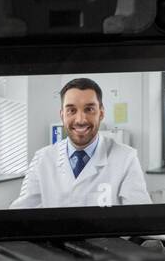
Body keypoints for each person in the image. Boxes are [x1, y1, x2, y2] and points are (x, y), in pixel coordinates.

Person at [9, 77, 152, 209]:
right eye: (71, 110)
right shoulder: (42, 159)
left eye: (89, 109)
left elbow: (141, 219)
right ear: (62, 115)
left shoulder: (126, 158)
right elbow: (21, 215)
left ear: (101, 113)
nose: (80, 120)